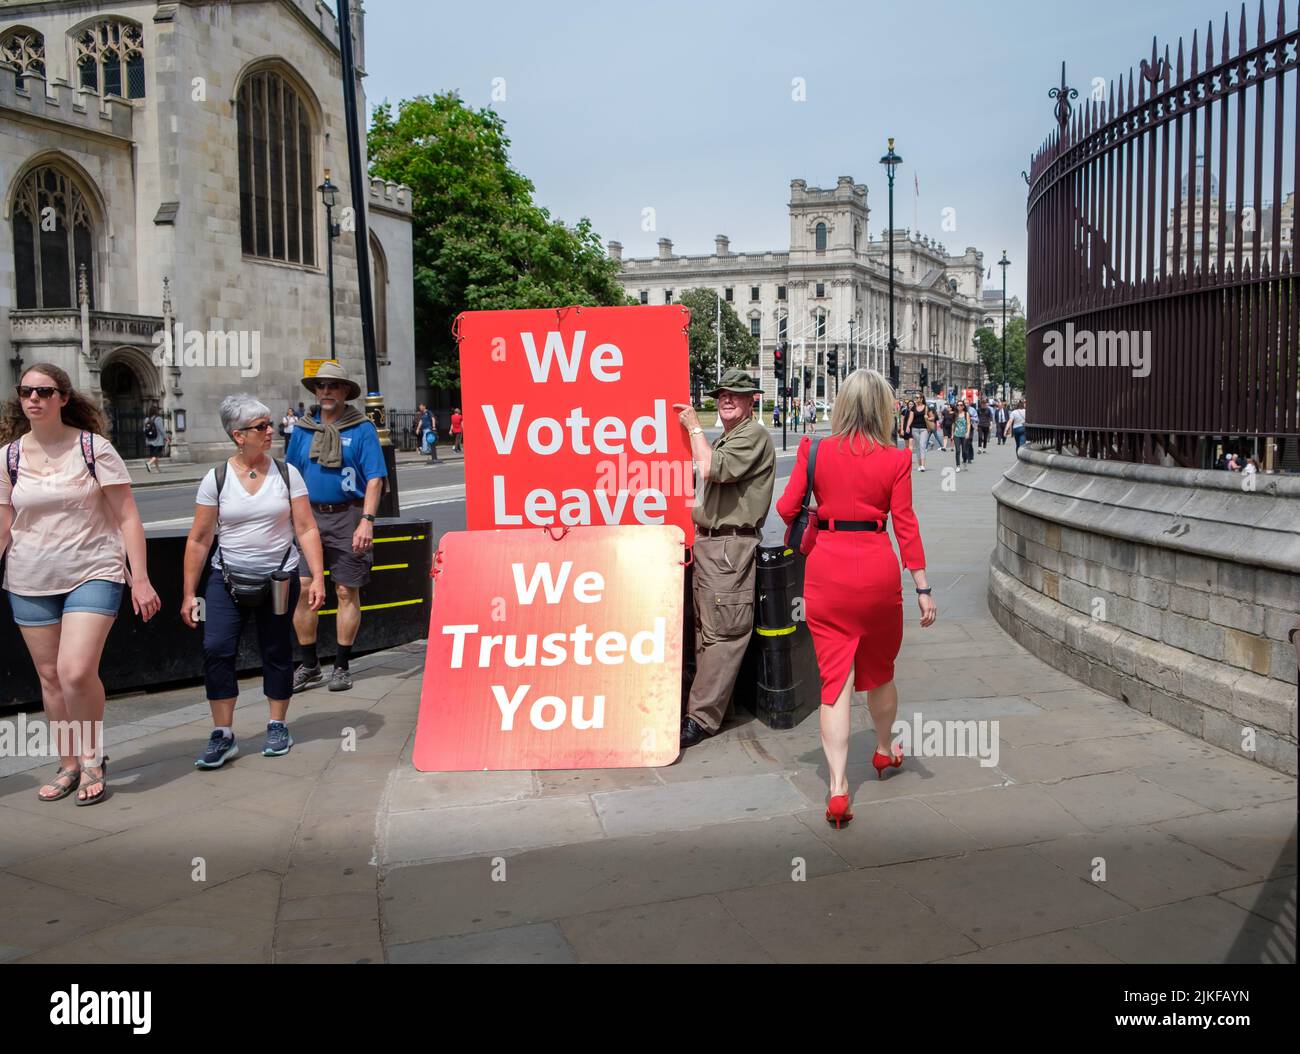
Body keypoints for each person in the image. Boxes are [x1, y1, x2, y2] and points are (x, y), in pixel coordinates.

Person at [776, 369, 936, 829]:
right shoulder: (896, 458)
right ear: (884, 408)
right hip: (877, 572)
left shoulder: (814, 450)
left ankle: (839, 788)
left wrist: (818, 506)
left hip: (826, 572)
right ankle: (884, 751)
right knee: (881, 672)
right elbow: (905, 525)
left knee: (835, 682)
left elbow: (787, 509)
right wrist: (922, 587)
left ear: (842, 405)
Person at [0, 363, 161, 805]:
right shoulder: (9, 457)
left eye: (44, 391)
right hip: (29, 577)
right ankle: (68, 764)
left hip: (93, 569)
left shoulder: (94, 449)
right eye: (26, 391)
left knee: (75, 671)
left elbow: (128, 517)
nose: (34, 398)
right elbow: (3, 525)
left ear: (63, 398)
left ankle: (92, 758)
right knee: (50, 679)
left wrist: (141, 580)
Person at [182, 395, 327, 768]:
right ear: (238, 435)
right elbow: (199, 539)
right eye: (261, 427)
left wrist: (317, 577)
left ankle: (277, 724)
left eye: (269, 424)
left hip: (278, 578)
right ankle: (223, 734)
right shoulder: (216, 478)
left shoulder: (286, 473)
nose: (271, 431)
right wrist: (187, 593)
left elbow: (306, 527)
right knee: (216, 649)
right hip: (226, 580)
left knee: (276, 650)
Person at [673, 368, 775, 747]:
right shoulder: (731, 436)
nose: (727, 399)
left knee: (721, 634)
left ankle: (700, 719)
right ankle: (718, 707)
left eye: (736, 394)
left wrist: (692, 428)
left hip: (729, 547)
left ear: (752, 401)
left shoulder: (753, 435)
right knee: (707, 629)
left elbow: (710, 469)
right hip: (711, 544)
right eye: (722, 395)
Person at [286, 361, 388, 692]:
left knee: (346, 590)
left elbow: (375, 478)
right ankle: (310, 664)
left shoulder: (361, 429)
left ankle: (341, 665)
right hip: (309, 518)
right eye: (321, 386)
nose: (326, 391)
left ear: (345, 391)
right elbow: (290, 477)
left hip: (349, 517)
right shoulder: (302, 430)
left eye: (333, 386)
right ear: (315, 392)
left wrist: (367, 521)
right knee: (303, 588)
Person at [143, 403, 167, 473]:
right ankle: (149, 463)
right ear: (156, 411)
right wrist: (166, 437)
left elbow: (144, 430)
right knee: (157, 455)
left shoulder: (146, 419)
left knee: (154, 455)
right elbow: (161, 429)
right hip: (158, 440)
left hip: (150, 440)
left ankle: (157, 469)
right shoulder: (158, 419)